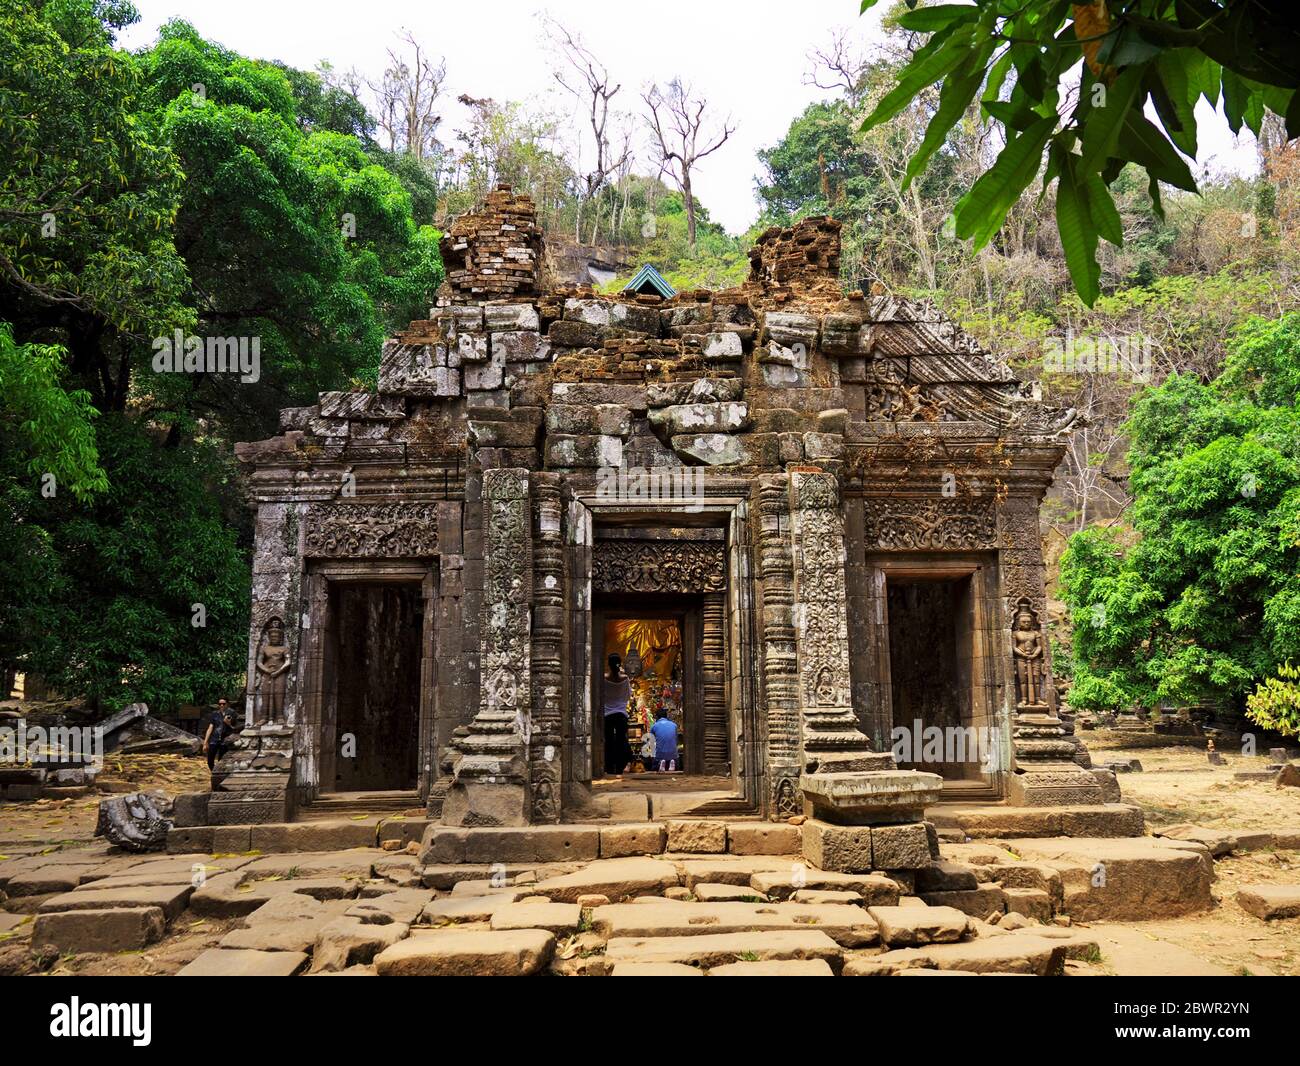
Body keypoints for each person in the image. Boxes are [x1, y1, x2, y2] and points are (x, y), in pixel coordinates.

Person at [601, 654, 633, 775]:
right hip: (621, 713)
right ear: (620, 664)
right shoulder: (625, 679)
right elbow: (628, 695)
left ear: (608, 664)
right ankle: (620, 766)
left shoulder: (603, 678)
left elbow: (600, 694)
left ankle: (609, 766)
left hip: (607, 713)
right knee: (621, 740)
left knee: (608, 740)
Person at [202, 698, 234, 771]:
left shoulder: (232, 713)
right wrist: (205, 742)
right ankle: (213, 772)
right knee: (210, 759)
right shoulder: (215, 714)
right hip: (214, 739)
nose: (221, 705)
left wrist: (228, 723)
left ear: (227, 704)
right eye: (220, 704)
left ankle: (218, 774)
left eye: (223, 704)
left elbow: (235, 727)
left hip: (225, 740)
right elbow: (210, 727)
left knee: (221, 760)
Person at [650, 708, 679, 773]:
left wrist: (652, 755)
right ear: (666, 716)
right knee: (674, 755)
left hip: (659, 754)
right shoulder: (674, 725)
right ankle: (671, 761)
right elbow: (676, 740)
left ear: (657, 717)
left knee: (653, 763)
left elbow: (651, 742)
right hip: (674, 755)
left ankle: (661, 762)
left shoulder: (654, 726)